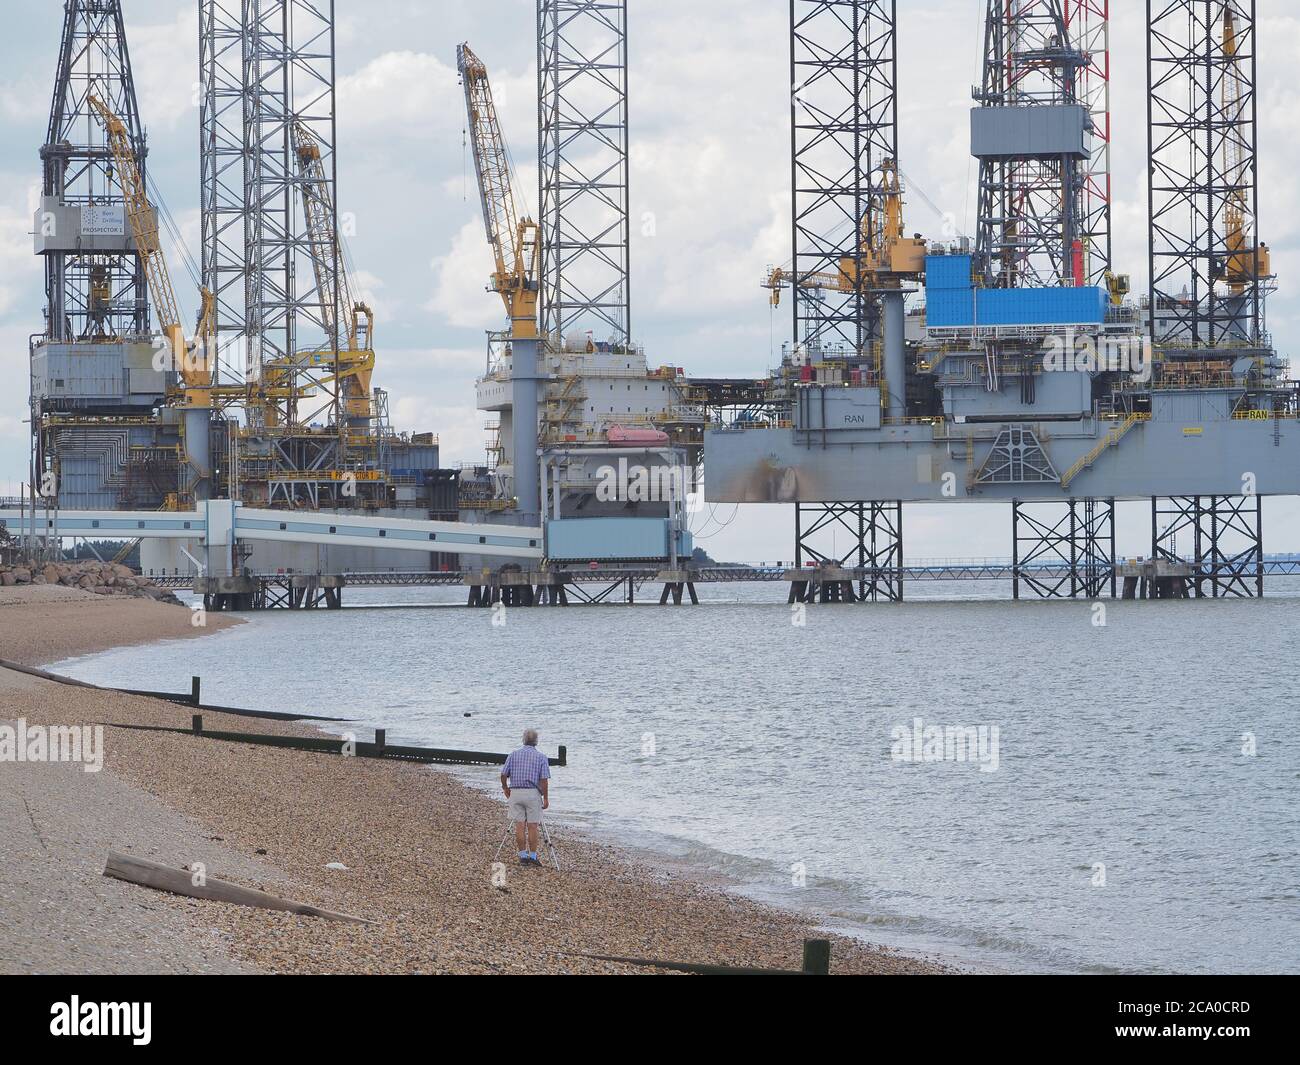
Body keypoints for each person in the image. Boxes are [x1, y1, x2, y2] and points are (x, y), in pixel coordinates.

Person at [500, 728, 551, 865]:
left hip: (516, 792)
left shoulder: (513, 754)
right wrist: (545, 798)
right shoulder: (541, 757)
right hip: (532, 793)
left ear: (523, 739)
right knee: (533, 826)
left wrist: (505, 788)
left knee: (519, 825)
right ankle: (533, 857)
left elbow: (503, 774)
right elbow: (544, 780)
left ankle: (523, 855)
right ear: (536, 741)